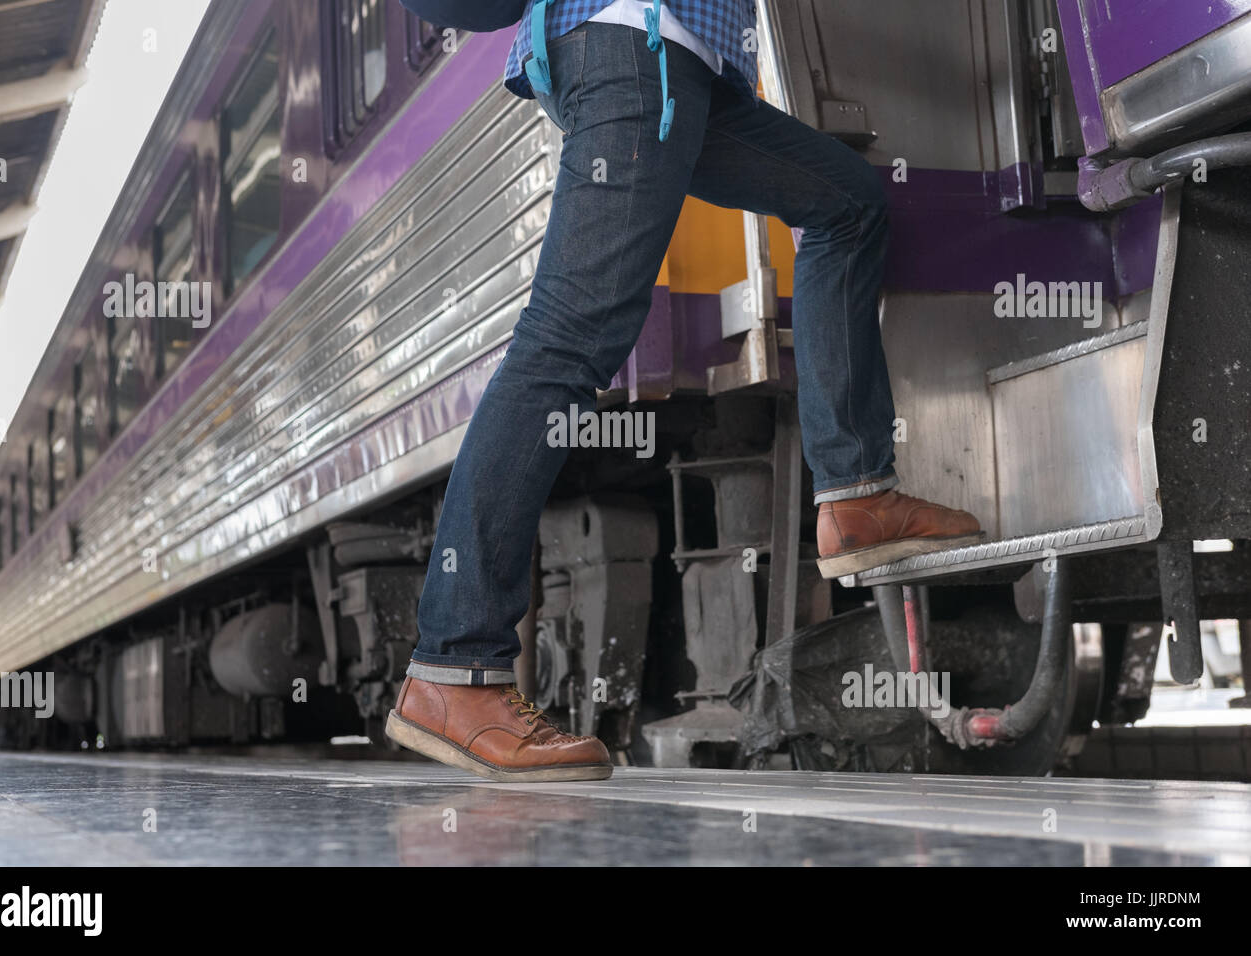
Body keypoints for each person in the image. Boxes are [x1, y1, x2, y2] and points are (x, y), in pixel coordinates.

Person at [385, 0, 982, 781]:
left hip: (684, 65)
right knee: (567, 341)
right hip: (634, 49)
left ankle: (857, 496)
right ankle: (454, 670)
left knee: (846, 205)